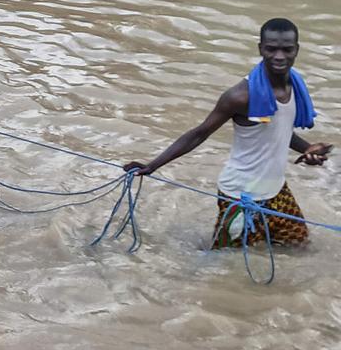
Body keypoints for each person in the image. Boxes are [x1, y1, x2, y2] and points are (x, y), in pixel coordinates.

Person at [124, 19, 331, 248]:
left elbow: (277, 130)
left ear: (297, 50)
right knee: (225, 260)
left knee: (299, 246)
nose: (279, 56)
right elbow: (199, 133)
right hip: (241, 195)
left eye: (287, 49)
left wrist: (307, 148)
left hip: (276, 190)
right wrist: (152, 165)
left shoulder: (294, 85)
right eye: (271, 49)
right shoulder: (241, 96)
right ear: (260, 48)